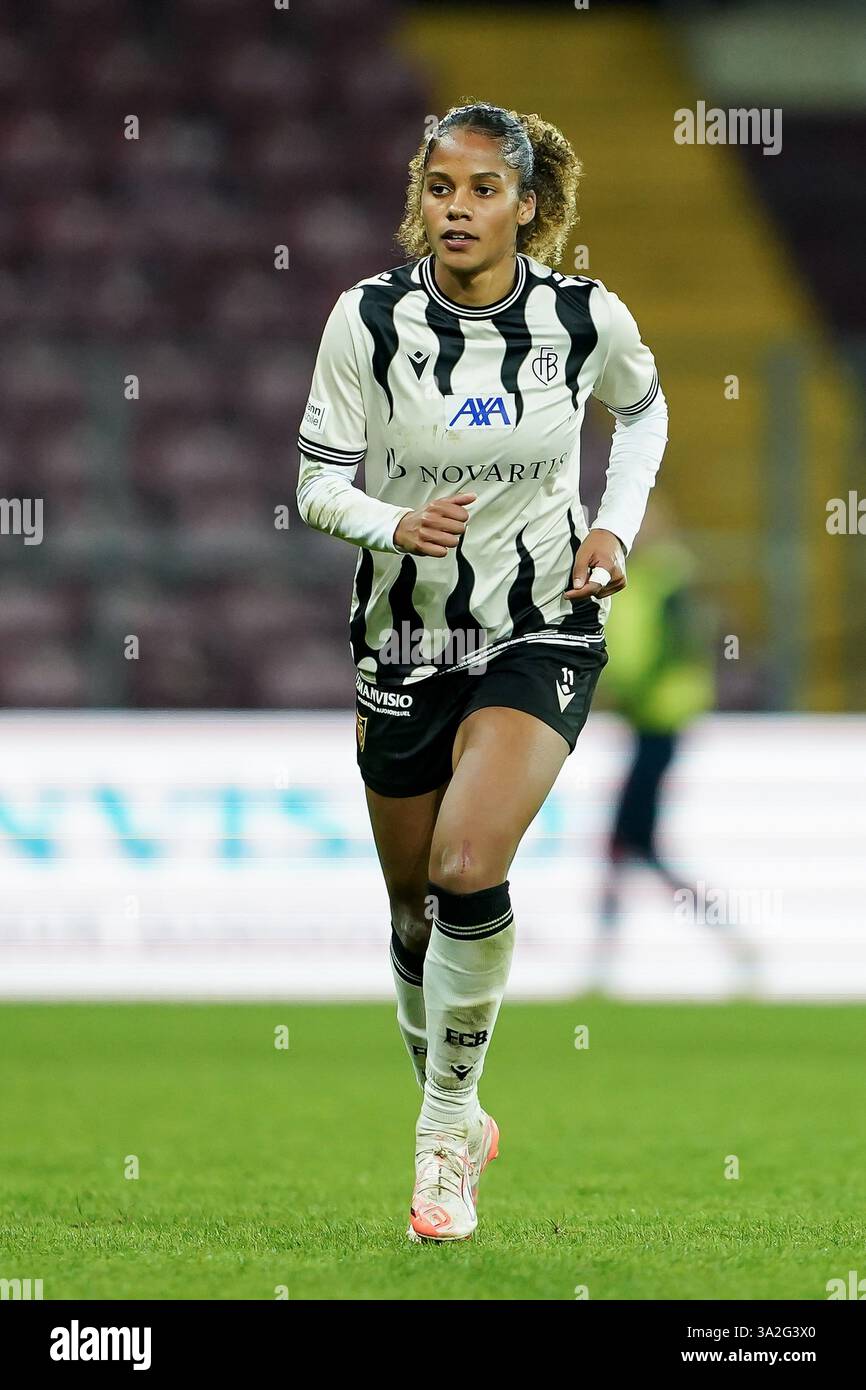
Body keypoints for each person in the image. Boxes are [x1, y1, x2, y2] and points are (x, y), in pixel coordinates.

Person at [296, 100, 668, 1243]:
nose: (455, 209)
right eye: (440, 187)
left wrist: (612, 529)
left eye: (481, 190)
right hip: (403, 641)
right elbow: (315, 483)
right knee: (412, 916)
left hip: (537, 625)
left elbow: (643, 415)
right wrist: (389, 524)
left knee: (466, 862)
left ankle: (442, 1137)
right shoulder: (366, 319)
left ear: (529, 208)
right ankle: (454, 1109)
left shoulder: (579, 317)